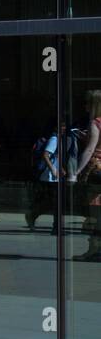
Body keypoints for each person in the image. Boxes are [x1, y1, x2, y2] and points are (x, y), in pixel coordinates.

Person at [71, 90, 101, 260]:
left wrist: (76, 171)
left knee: (96, 215)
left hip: (97, 172)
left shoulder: (96, 123)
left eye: (88, 103)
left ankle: (94, 250)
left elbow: (90, 150)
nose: (85, 107)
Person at [27, 122, 61, 233]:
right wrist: (53, 169)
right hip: (50, 176)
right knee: (53, 202)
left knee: (53, 202)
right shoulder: (54, 139)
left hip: (54, 175)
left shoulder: (59, 139)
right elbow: (46, 155)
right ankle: (33, 215)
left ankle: (34, 216)